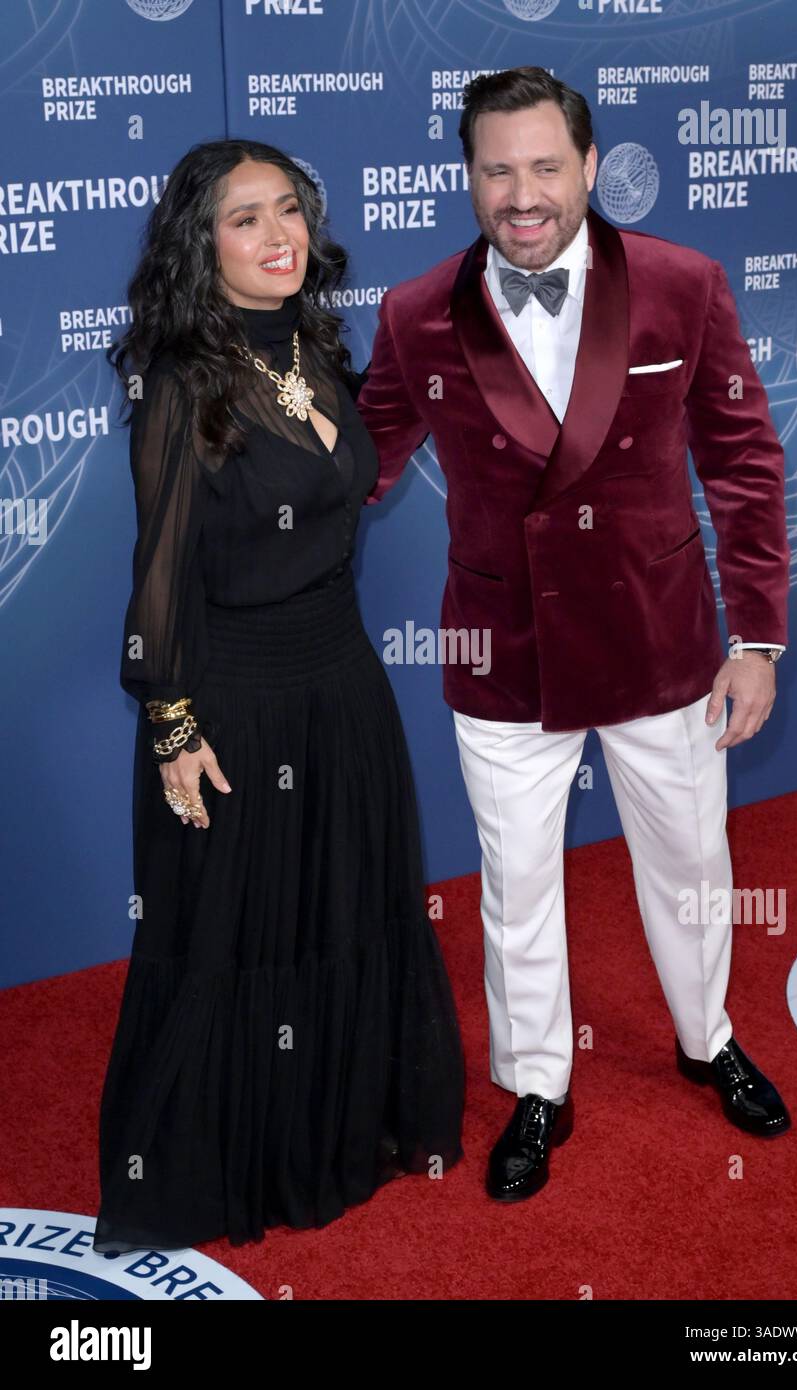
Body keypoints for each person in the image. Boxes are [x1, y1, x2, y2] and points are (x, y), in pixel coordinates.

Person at [356, 67, 791, 1205]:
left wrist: (756, 637)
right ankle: (537, 1085)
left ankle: (707, 1037)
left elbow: (742, 462)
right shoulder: (412, 312)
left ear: (589, 168)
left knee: (694, 869)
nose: (521, 193)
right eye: (495, 170)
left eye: (544, 166)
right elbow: (359, 466)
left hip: (660, 640)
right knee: (515, 887)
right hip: (501, 649)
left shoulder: (682, 284)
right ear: (467, 178)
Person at [94, 139, 464, 1253]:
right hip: (236, 699)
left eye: (287, 209)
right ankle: (230, 1161)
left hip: (341, 686)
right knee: (237, 936)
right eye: (244, 218)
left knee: (347, 908)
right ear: (199, 250)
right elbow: (156, 566)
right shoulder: (175, 377)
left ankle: (338, 1128)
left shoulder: (314, 342)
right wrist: (171, 724)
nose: (277, 234)